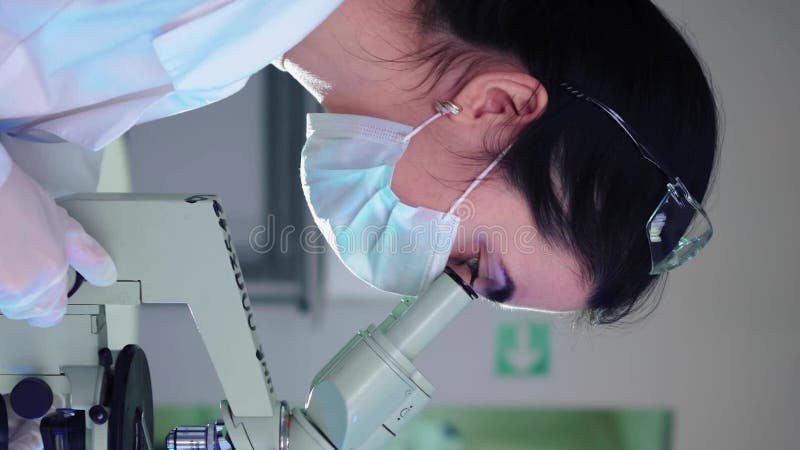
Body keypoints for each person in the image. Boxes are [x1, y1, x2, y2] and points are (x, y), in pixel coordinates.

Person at [0, 0, 719, 326]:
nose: (423, 276)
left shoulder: (234, 54)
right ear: (496, 106)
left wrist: (37, 188)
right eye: (471, 263)